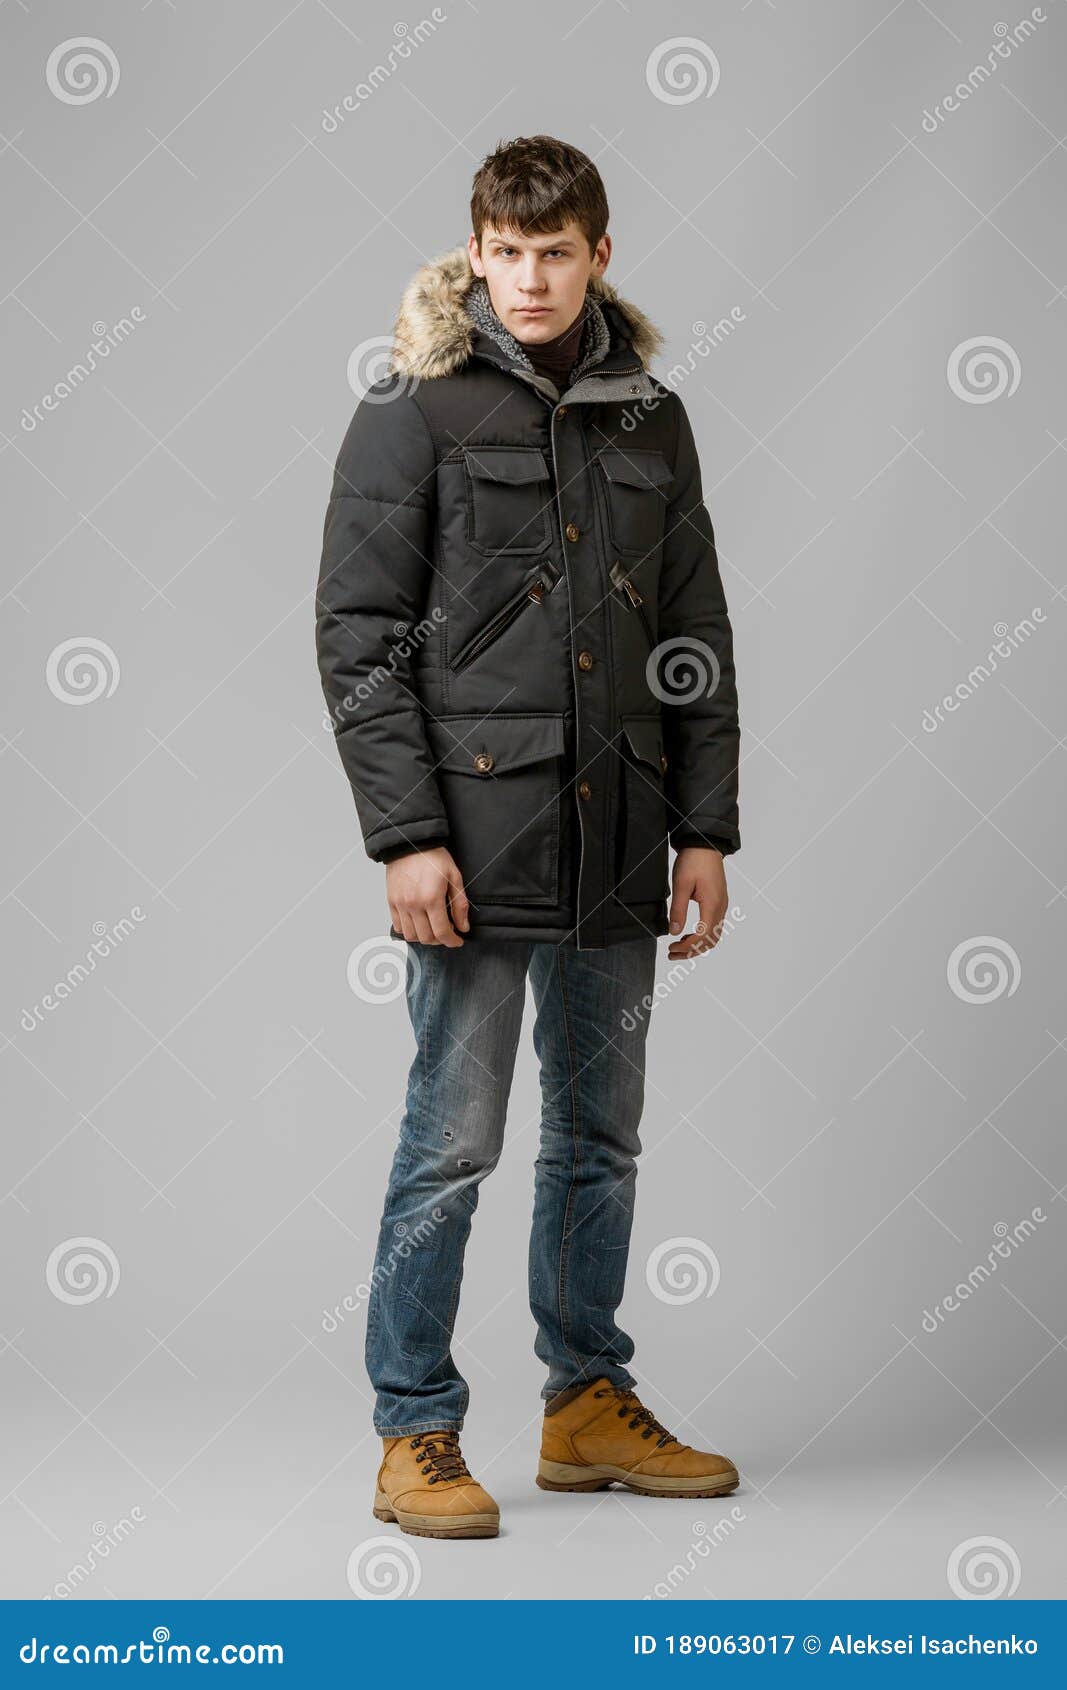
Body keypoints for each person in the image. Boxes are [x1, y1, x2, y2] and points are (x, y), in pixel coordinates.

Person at [315, 135, 741, 1540]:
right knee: (453, 1139)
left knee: (601, 1138)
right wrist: (405, 836)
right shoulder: (415, 408)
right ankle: (415, 1429)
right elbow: (361, 642)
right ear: (476, 251)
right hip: (474, 845)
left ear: (599, 253)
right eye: (508, 250)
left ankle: (583, 1406)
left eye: (558, 251)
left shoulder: (649, 418)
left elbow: (692, 636)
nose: (533, 276)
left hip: (622, 835)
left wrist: (704, 826)